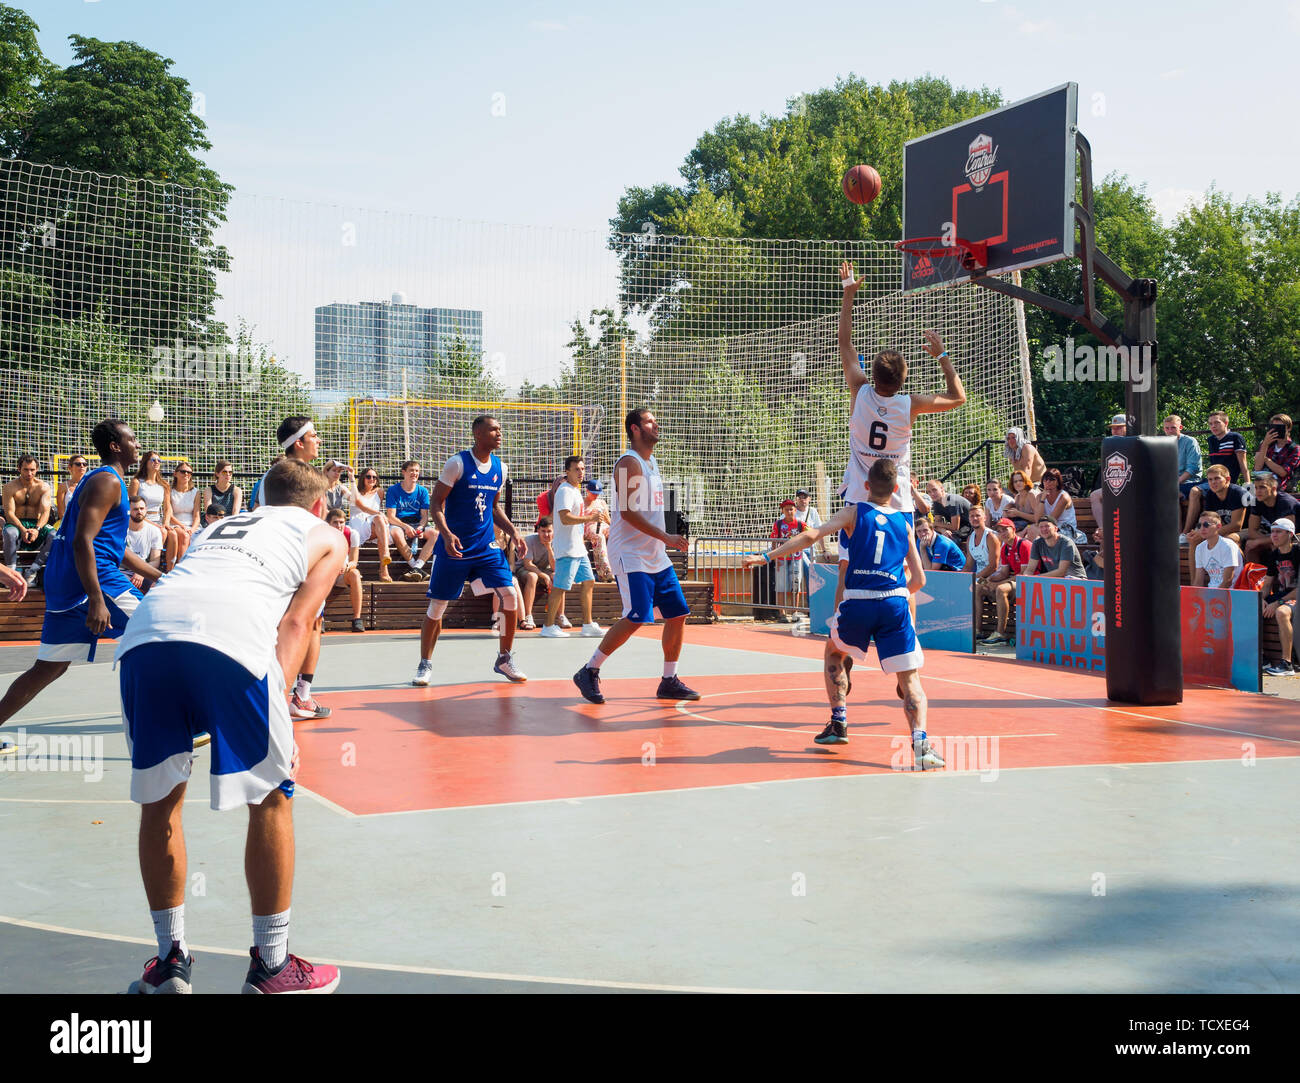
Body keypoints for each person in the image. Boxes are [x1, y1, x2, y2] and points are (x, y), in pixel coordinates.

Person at [118, 458, 347, 995]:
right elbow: (296, 623)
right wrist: (282, 715)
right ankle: (271, 965)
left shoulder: (220, 524)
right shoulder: (326, 534)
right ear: (318, 504)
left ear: (264, 496)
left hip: (146, 638)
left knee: (160, 801)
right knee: (270, 796)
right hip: (231, 640)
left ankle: (170, 964)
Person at [743, 459, 944, 768]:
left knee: (834, 654)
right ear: (895, 489)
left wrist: (766, 556)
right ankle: (921, 745)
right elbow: (919, 580)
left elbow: (811, 536)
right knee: (911, 678)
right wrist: (893, 590)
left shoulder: (853, 513)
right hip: (894, 601)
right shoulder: (904, 526)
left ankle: (839, 722)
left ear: (866, 486)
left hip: (858, 601)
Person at [0, 420, 163, 739]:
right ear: (116, 446)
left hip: (68, 582)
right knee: (158, 634)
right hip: (93, 579)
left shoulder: (101, 479)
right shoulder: (108, 482)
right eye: (132, 439)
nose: (138, 444)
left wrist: (164, 576)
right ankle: (162, 723)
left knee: (49, 667)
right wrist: (98, 600)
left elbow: (115, 549)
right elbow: (82, 541)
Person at [573, 409, 699, 705]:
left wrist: (671, 534)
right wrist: (666, 537)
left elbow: (650, 510)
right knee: (636, 615)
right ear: (635, 429)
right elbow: (628, 513)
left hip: (654, 553)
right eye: (650, 422)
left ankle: (669, 680)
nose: (657, 424)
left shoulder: (652, 462)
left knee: (678, 614)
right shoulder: (629, 463)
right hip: (630, 554)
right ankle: (589, 671)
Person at [836, 259, 965, 512]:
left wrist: (848, 293)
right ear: (903, 379)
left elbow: (844, 342)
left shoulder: (859, 389)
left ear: (872, 375)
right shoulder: (910, 404)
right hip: (897, 498)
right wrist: (942, 356)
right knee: (902, 553)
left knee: (850, 553)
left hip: (859, 495)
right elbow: (958, 397)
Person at [414, 415, 528, 686]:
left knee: (510, 595)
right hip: (455, 547)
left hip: (487, 546)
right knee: (437, 607)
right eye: (493, 429)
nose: (499, 433)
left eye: (500, 429)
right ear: (478, 434)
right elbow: (436, 504)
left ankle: (504, 658)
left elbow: (494, 507)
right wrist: (446, 532)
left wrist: (513, 531)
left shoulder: (501, 467)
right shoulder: (457, 463)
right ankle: (425, 663)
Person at [257, 416, 331, 720]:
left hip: (277, 559)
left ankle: (286, 695)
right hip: (298, 561)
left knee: (292, 626)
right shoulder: (301, 479)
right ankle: (294, 697)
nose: (319, 440)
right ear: (298, 442)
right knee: (307, 624)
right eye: (313, 435)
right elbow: (316, 526)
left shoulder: (271, 476)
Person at [543, 455, 604, 638]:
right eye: (576, 469)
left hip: (579, 548)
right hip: (567, 548)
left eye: (583, 469)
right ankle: (548, 626)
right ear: (567, 471)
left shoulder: (576, 490)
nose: (581, 472)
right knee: (560, 586)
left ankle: (587, 624)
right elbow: (565, 518)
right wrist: (590, 518)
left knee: (589, 581)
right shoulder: (564, 491)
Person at [3, 454, 56, 586]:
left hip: (36, 523)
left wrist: (37, 529)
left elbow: (45, 512)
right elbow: (9, 513)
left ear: (37, 469)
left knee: (55, 535)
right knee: (10, 533)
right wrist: (22, 529)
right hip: (16, 522)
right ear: (19, 468)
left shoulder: (44, 487)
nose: (29, 473)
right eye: (26, 469)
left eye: (32, 469)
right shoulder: (9, 487)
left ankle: (33, 570)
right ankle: (12, 572)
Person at [385, 460, 438, 581]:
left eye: (417, 471)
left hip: (417, 523)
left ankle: (417, 567)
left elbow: (424, 516)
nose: (414, 473)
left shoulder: (422, 491)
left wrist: (420, 527)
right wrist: (406, 527)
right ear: (404, 472)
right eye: (411, 470)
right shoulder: (393, 490)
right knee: (396, 533)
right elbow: (391, 516)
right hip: (400, 523)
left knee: (435, 534)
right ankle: (414, 566)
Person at [982, 518, 1031, 643]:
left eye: (1005, 529)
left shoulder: (1024, 544)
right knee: (978, 587)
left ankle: (1000, 633)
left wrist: (997, 583)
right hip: (1016, 581)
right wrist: (990, 579)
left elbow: (1024, 574)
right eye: (999, 531)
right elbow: (1003, 572)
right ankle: (978, 631)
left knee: (1001, 589)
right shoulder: (1004, 548)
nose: (1002, 533)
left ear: (1013, 530)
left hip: (1029, 583)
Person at [1260, 519, 1299, 676]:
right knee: (1250, 607)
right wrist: (1261, 599)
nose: (1273, 535)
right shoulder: (1274, 554)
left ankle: (1287, 664)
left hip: (1296, 596)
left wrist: (1278, 603)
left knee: (1282, 612)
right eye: (1272, 531)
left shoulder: (1298, 552)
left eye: (1278, 532)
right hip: (1282, 596)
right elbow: (1267, 584)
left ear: (1289, 534)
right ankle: (1262, 658)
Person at [1181, 465, 1248, 546]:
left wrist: (1207, 533)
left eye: (1217, 478)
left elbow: (1236, 525)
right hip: (1225, 529)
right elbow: (1207, 520)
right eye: (1210, 479)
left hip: (1249, 529)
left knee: (1229, 539)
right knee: (1194, 540)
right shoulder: (1210, 494)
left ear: (1227, 480)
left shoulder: (1237, 493)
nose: (1213, 482)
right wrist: (1197, 532)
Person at [1241, 473, 1300, 563]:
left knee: (1277, 545)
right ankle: (1255, 575)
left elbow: (1286, 534)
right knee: (1251, 547)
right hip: (1275, 533)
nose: (1258, 491)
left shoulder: (1286, 502)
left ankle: (1279, 576)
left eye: (1262, 487)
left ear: (1273, 489)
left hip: (1295, 535)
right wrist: (1266, 541)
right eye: (1256, 488)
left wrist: (1260, 541)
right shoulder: (1258, 501)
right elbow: (1252, 531)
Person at [348, 468, 394, 582]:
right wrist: (379, 513)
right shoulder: (354, 493)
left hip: (375, 525)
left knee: (379, 521)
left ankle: (384, 568)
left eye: (374, 477)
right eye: (368, 476)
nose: (372, 479)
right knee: (380, 520)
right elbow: (362, 507)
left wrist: (379, 515)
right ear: (363, 478)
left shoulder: (380, 492)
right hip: (359, 525)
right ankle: (384, 564)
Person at [325, 508, 365, 633]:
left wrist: (346, 566)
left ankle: (357, 619)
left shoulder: (352, 534)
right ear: (329, 524)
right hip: (326, 574)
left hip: (342, 574)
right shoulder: (322, 535)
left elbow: (354, 561)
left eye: (341, 522)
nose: (339, 526)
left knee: (355, 574)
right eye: (335, 522)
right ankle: (319, 618)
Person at [769, 498, 809, 620]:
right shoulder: (778, 524)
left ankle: (794, 612)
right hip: (781, 558)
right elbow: (774, 541)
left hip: (796, 558)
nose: (789, 512)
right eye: (786, 510)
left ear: (795, 510)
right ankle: (782, 613)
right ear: (782, 511)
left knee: (795, 586)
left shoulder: (800, 524)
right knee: (781, 586)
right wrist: (775, 557)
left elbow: (810, 535)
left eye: (791, 509)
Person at [512, 517, 555, 630]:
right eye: (543, 531)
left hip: (542, 569)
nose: (546, 534)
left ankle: (559, 616)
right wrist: (544, 575)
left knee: (557, 577)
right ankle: (528, 616)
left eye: (549, 531)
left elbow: (555, 567)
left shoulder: (556, 542)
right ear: (538, 531)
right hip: (524, 569)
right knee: (533, 576)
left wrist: (549, 548)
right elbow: (527, 564)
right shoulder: (530, 540)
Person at [1090, 414, 1129, 535]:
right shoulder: (1109, 445)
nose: (1115, 430)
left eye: (1119, 427)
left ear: (1127, 428)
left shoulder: (1134, 442)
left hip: (1133, 485)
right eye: (1113, 428)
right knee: (1095, 495)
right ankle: (1103, 529)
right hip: (1117, 484)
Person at [1029, 468, 1085, 544]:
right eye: (1045, 479)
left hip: (1066, 529)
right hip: (1049, 527)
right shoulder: (1039, 497)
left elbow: (1052, 520)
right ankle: (1037, 555)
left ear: (1057, 482)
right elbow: (1037, 519)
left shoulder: (1064, 497)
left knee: (1039, 530)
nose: (1048, 482)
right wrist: (1042, 499)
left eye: (1052, 479)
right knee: (1033, 529)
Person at [1025, 515, 1087, 580]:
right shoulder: (1037, 543)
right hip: (1056, 580)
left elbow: (1061, 572)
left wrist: (1037, 577)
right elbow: (1030, 570)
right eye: (1041, 527)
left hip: (1076, 580)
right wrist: (1026, 578)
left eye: (1047, 526)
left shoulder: (1066, 543)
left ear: (1055, 528)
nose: (1044, 529)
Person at [1192, 511, 1242, 589]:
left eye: (1206, 525)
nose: (1202, 528)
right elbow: (1198, 580)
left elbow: (1228, 581)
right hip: (1212, 593)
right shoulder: (1199, 548)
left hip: (1232, 593)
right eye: (1199, 525)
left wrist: (1214, 598)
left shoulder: (1228, 546)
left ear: (1218, 526)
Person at [165, 460, 202, 567]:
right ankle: (181, 567)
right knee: (185, 536)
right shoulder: (169, 491)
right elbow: (169, 514)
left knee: (201, 537)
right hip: (176, 523)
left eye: (189, 472)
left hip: (192, 526)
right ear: (175, 474)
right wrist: (183, 527)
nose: (186, 474)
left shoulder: (196, 492)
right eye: (183, 471)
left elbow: (197, 515)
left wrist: (192, 529)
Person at [123, 496, 164, 589]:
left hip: (143, 570)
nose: (139, 512)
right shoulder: (121, 530)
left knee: (160, 587)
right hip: (122, 571)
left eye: (142, 508)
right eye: (135, 509)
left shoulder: (154, 531)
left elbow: (155, 561)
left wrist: (141, 572)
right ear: (129, 511)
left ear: (146, 509)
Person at [1254, 413, 1299, 494]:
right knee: (1247, 490)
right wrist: (1265, 444)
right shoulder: (1265, 444)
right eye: (1274, 427)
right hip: (1261, 483)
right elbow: (1257, 467)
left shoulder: (1295, 448)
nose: (1277, 430)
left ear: (1288, 428)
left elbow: (1283, 472)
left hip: (1281, 487)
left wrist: (1266, 459)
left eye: (1280, 427)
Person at [1204, 411, 1250, 485]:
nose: (1213, 426)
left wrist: (1248, 484)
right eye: (1210, 424)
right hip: (1213, 480)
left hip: (1227, 481)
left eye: (1217, 422)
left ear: (1226, 423)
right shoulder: (1211, 439)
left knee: (1195, 491)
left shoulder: (1235, 437)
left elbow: (1243, 464)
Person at [1164, 414, 1204, 496]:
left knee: (1168, 492)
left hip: (1189, 481)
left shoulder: (1190, 442)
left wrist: (1175, 483)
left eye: (1173, 428)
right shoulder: (1163, 443)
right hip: (1170, 481)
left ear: (1180, 427)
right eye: (1167, 428)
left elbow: (1193, 468)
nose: (1170, 431)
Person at [582, 479, 613, 582]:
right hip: (590, 527)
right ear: (587, 491)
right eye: (593, 493)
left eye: (597, 493)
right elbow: (580, 522)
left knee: (616, 533)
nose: (596, 496)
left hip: (603, 525)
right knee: (598, 537)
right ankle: (606, 572)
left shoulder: (601, 502)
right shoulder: (582, 503)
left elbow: (609, 521)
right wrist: (591, 516)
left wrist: (604, 516)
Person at [924, 479, 971, 543]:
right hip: (958, 529)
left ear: (942, 489)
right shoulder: (936, 502)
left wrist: (935, 524)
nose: (932, 494)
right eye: (929, 492)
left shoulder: (952, 500)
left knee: (946, 540)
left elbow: (955, 527)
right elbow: (937, 524)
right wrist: (942, 530)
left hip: (970, 527)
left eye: (934, 490)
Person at [964, 504, 1000, 586]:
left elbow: (993, 567)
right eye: (972, 516)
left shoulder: (991, 537)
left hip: (993, 578)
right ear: (969, 519)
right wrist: (960, 577)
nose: (975, 518)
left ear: (985, 518)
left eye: (978, 515)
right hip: (978, 577)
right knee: (957, 586)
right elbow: (968, 565)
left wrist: (975, 578)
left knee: (973, 587)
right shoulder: (970, 538)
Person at [1005, 469, 1041, 536]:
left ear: (1026, 481)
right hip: (1024, 526)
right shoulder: (1017, 497)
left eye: (1021, 480)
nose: (1018, 483)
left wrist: (1018, 513)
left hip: (1035, 526)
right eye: (1015, 482)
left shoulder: (1031, 494)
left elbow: (1037, 518)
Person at [56, 455, 90, 523]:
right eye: (78, 464)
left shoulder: (91, 484)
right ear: (70, 467)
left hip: (87, 523)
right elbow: (61, 513)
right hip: (68, 523)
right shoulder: (63, 486)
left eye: (84, 464)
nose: (82, 466)